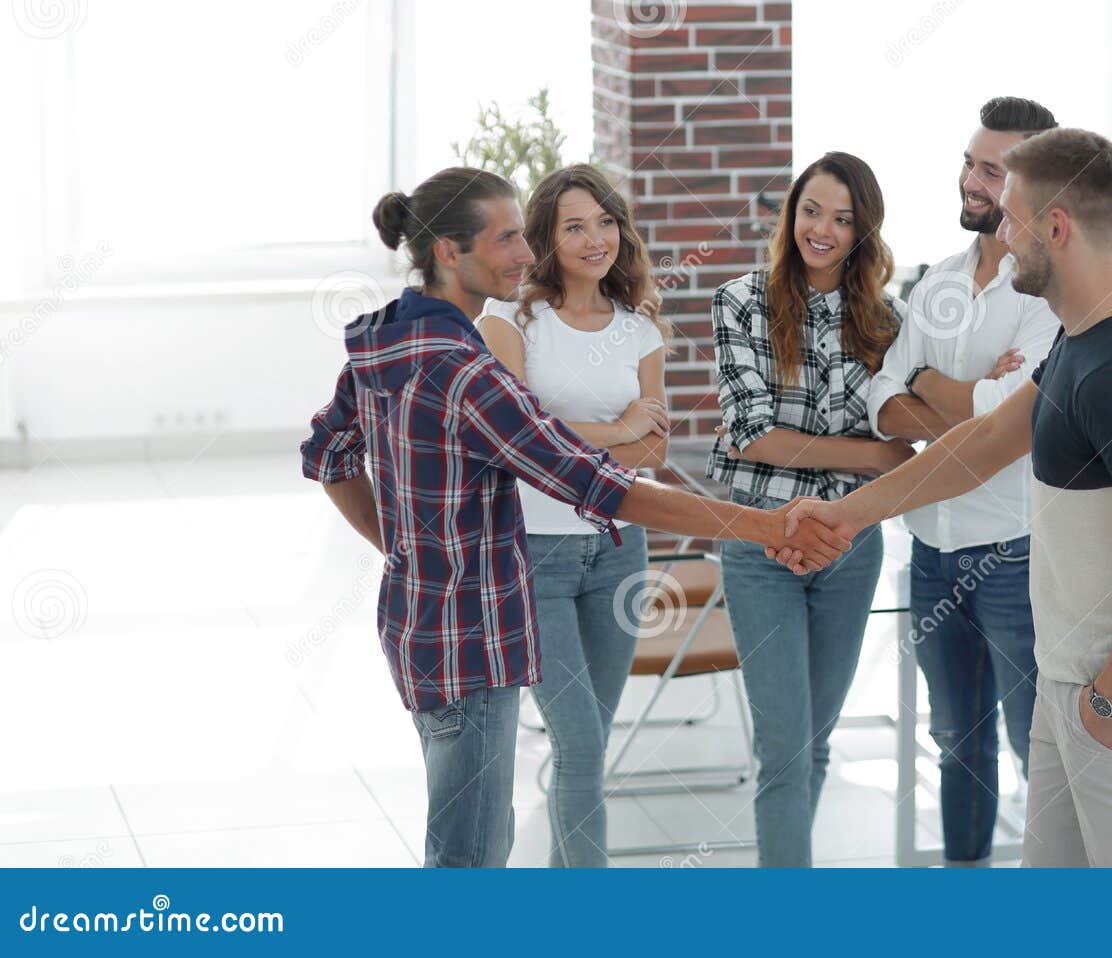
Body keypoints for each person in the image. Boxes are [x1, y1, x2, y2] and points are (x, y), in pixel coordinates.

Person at [301, 167, 850, 868]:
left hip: (418, 625)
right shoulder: (469, 371)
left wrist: (403, 550)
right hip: (476, 637)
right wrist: (771, 526)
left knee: (467, 838)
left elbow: (329, 455)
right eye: (507, 239)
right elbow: (605, 486)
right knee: (470, 857)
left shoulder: (384, 341)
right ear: (449, 252)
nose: (525, 253)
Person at [777, 128, 1112, 867]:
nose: (1002, 236)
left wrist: (1107, 701)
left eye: (1012, 218)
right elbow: (978, 448)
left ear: (1056, 227)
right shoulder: (1083, 339)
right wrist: (844, 516)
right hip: (1072, 679)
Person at [865, 96, 1060, 866]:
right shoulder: (938, 280)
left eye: (992, 169)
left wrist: (936, 387)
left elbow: (1005, 423)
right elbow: (880, 399)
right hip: (930, 550)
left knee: (1032, 743)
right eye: (969, 162)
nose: (971, 181)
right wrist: (961, 393)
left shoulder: (1048, 288)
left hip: (1013, 554)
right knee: (955, 741)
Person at [707, 151, 914, 867]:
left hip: (851, 549)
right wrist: (871, 456)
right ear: (792, 212)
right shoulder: (740, 301)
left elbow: (913, 425)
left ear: (865, 231)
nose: (821, 229)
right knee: (784, 747)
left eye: (843, 218)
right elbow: (754, 435)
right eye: (811, 210)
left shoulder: (889, 319)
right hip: (762, 543)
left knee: (813, 742)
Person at [477, 164, 669, 867]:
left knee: (588, 743)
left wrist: (590, 433)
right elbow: (517, 442)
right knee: (580, 743)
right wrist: (615, 430)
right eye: (575, 226)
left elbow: (654, 444)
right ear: (546, 239)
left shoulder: (638, 330)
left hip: (620, 547)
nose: (596, 239)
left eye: (606, 222)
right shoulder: (508, 319)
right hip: (536, 548)